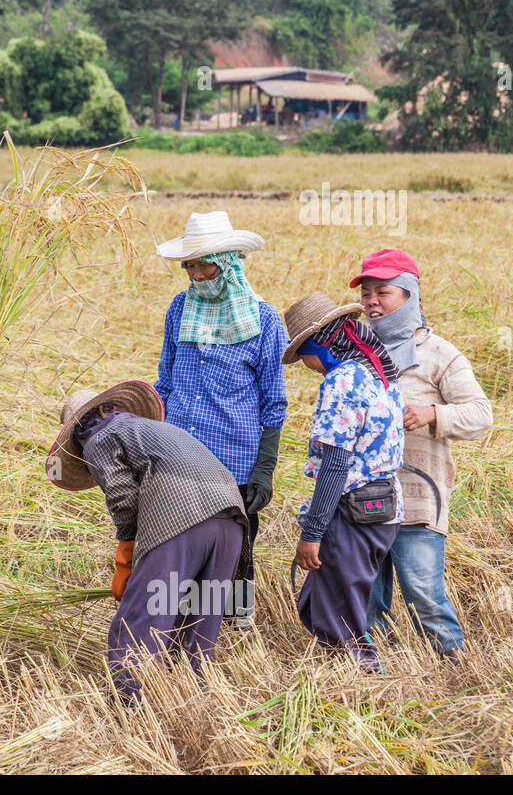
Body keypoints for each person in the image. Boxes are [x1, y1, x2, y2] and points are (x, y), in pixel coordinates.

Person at [45, 380, 248, 703]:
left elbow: (122, 496)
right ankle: (192, 704)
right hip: (232, 520)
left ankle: (129, 706)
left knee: (145, 618)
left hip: (182, 518)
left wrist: (126, 553)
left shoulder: (97, 434)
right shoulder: (150, 430)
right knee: (199, 620)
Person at [351, 249, 493, 658]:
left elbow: (481, 415)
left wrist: (433, 414)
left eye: (383, 292)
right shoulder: (358, 352)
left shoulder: (440, 354)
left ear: (409, 295)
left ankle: (454, 669)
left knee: (424, 597)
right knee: (367, 600)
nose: (372, 301)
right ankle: (377, 674)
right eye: (366, 294)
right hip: (364, 501)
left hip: (416, 500)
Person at [154, 211, 288, 627]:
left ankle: (235, 625)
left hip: (235, 459)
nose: (195, 274)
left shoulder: (264, 321)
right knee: (181, 545)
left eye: (204, 264)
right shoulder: (180, 309)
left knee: (236, 550)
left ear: (229, 261)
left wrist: (264, 468)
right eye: (189, 265)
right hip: (179, 454)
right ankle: (187, 625)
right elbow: (165, 381)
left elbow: (274, 402)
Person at [281, 293, 404, 671]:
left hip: (352, 511)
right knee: (320, 605)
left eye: (303, 353)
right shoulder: (379, 373)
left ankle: (368, 684)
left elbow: (336, 464)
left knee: (340, 621)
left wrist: (312, 532)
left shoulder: (342, 379)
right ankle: (353, 674)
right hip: (384, 509)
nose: (305, 364)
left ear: (320, 344)